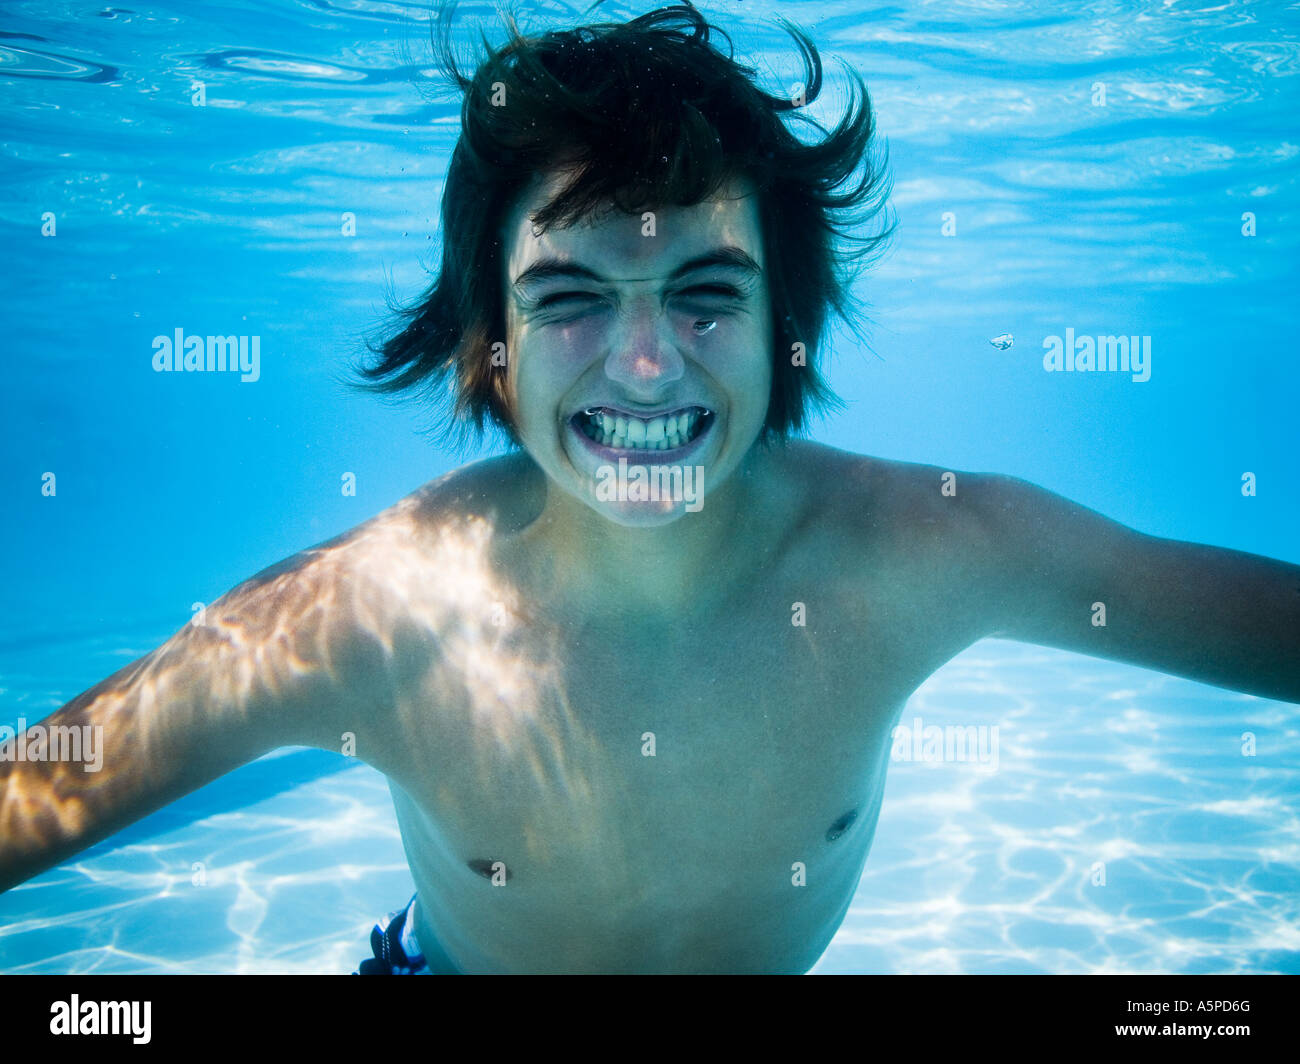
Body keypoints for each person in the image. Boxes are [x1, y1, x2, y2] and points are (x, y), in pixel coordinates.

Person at [1, 2, 1296, 975]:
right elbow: (35, 793)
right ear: (485, 347)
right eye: (567, 299)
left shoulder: (927, 550)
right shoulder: (372, 615)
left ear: (788, 318)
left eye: (706, 292)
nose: (641, 363)